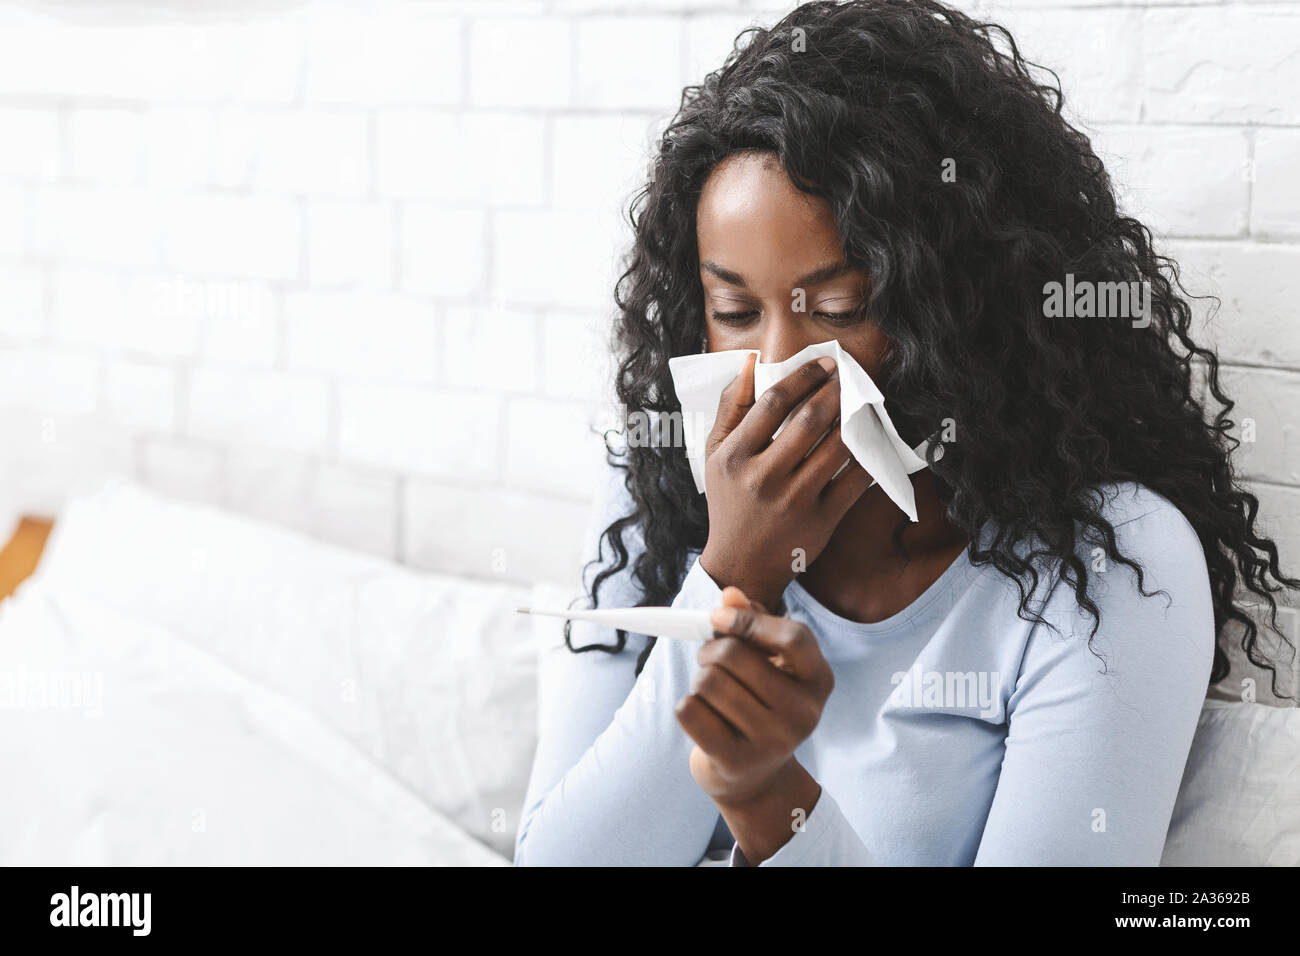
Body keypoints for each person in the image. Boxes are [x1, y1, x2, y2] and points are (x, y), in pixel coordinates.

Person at [514, 0, 1297, 866]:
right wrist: (733, 577)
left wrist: (771, 798)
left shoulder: (1107, 566)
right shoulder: (656, 488)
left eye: (841, 309)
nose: (781, 368)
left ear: (957, 307)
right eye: (735, 311)